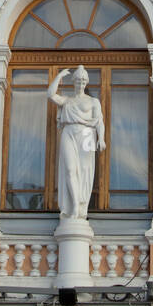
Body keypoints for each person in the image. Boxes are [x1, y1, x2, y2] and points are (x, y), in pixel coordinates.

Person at [47, 65, 104, 219]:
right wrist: (59, 77)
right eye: (78, 80)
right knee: (70, 170)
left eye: (83, 80)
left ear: (87, 82)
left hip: (87, 134)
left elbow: (99, 122)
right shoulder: (67, 100)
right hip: (69, 132)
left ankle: (81, 207)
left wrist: (102, 138)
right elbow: (51, 94)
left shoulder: (93, 102)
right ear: (74, 82)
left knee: (85, 171)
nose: (81, 83)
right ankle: (73, 207)